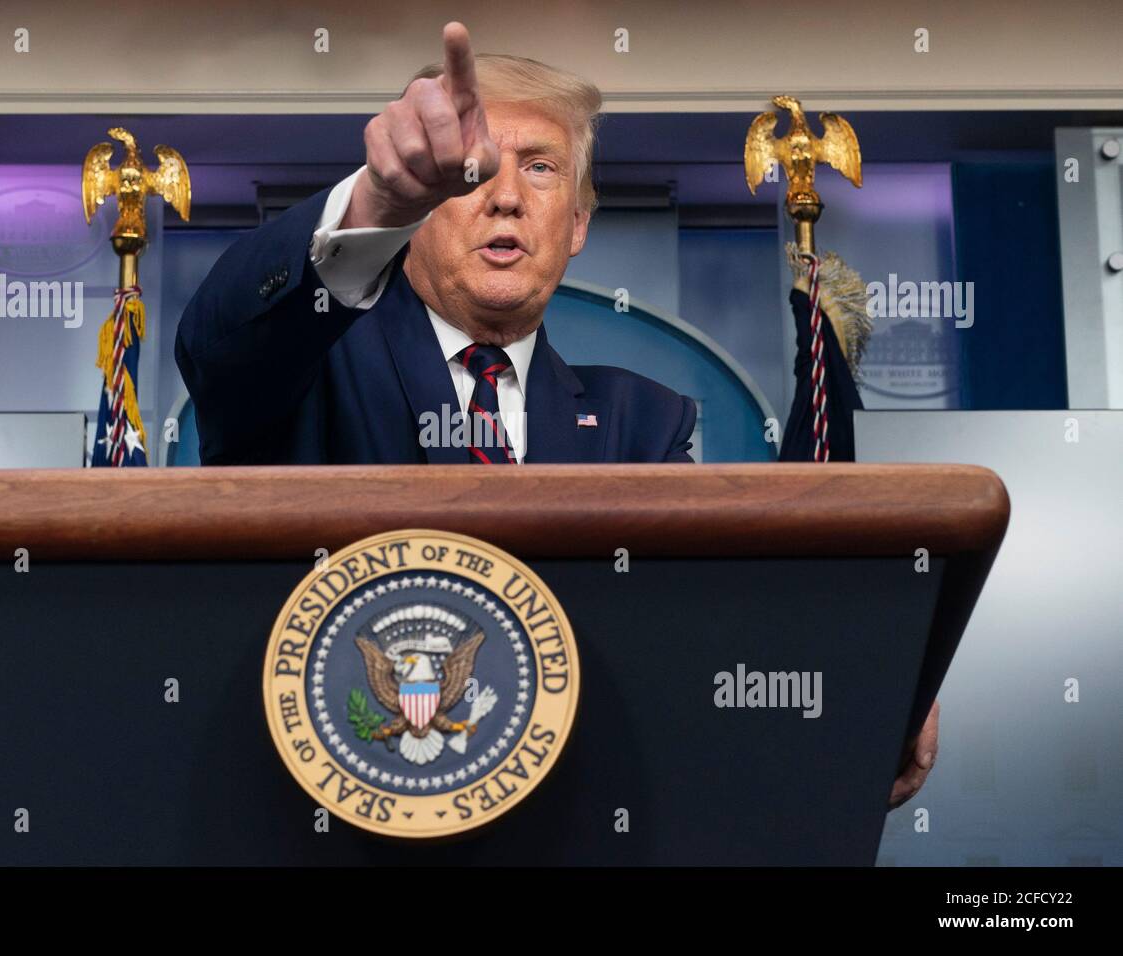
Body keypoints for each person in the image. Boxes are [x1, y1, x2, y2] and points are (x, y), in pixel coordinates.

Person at [174, 21, 935, 805]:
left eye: (540, 169)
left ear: (575, 225)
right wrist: (374, 200)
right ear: (420, 209)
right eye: (473, 171)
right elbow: (217, 341)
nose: (505, 195)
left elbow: (697, 629)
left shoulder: (644, 420)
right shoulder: (314, 366)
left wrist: (860, 673)